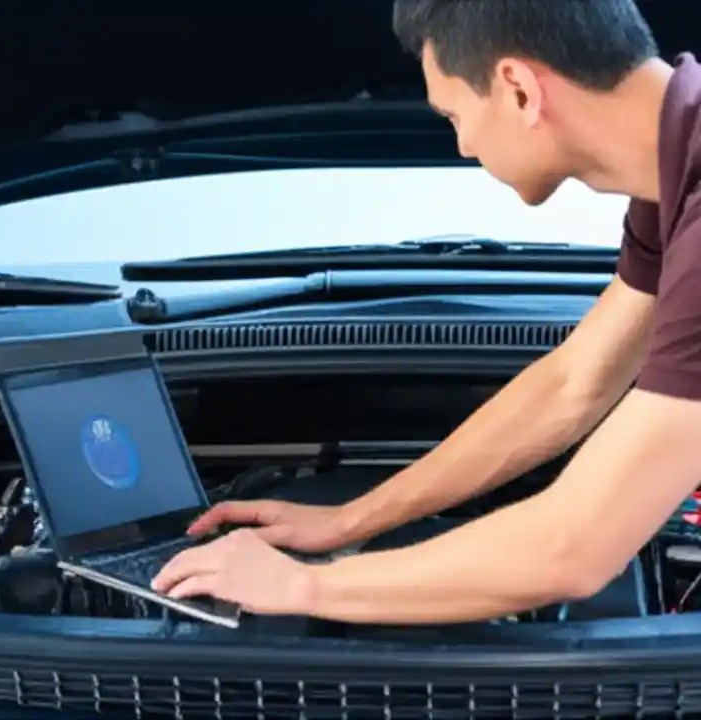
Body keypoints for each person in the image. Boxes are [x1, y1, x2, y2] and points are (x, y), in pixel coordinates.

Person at [151, 0, 701, 624]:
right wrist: (348, 521)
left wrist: (304, 587)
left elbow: (571, 550)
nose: (463, 145)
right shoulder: (671, 178)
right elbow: (575, 383)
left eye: (452, 115)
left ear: (518, 90)